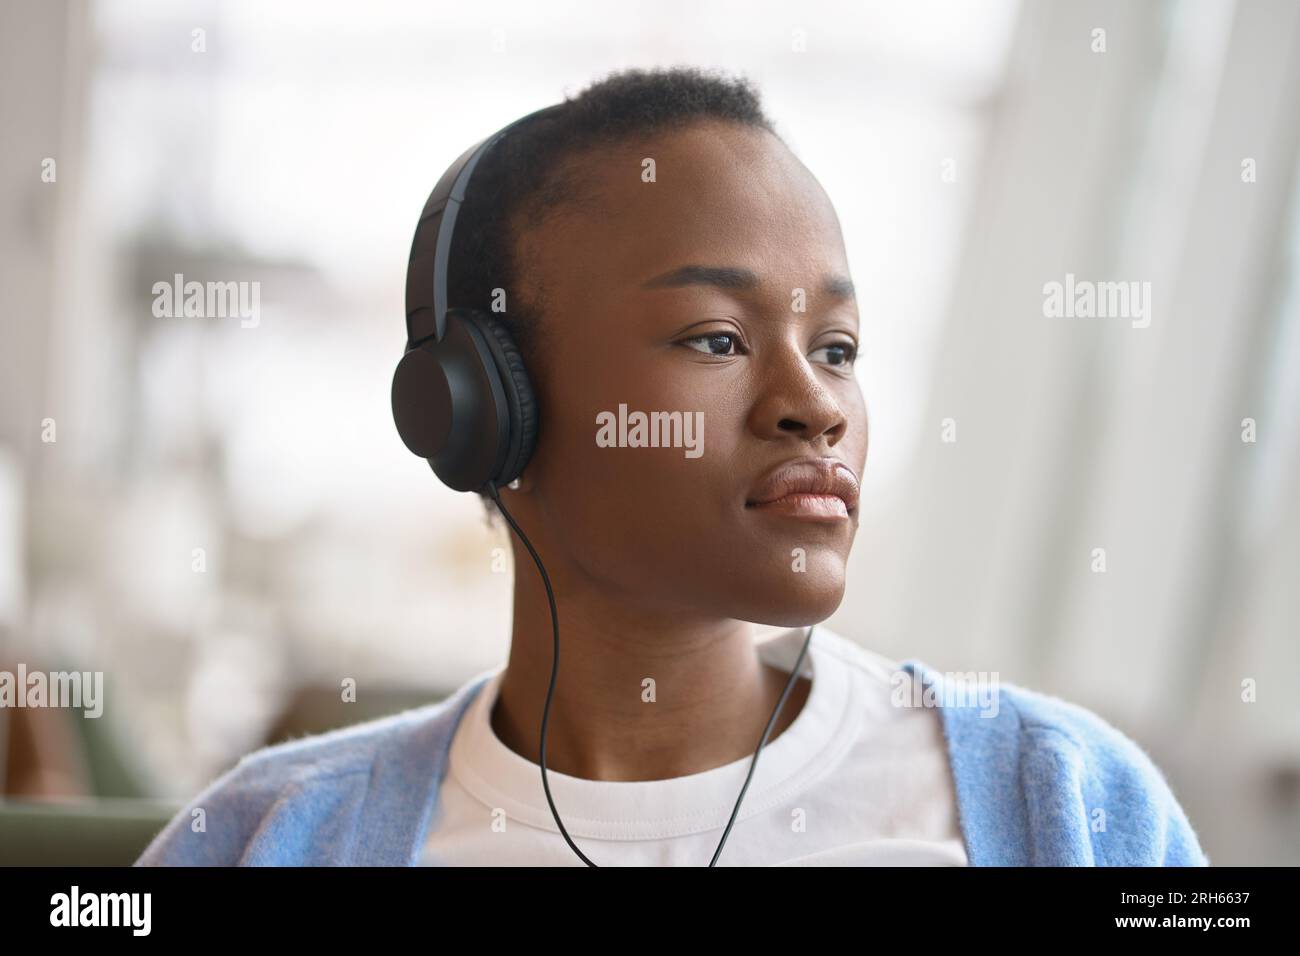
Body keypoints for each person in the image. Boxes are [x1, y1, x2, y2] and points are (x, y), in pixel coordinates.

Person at [136, 66, 1208, 867]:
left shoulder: (1058, 798)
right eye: (715, 338)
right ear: (481, 409)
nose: (815, 403)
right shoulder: (270, 835)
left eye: (836, 348)